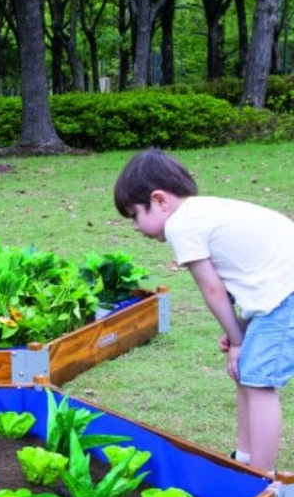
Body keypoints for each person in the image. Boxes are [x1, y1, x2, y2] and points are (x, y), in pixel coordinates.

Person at [114, 148, 294, 472]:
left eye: (134, 215)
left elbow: (211, 288)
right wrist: (236, 331)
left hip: (284, 294)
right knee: (246, 373)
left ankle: (263, 483)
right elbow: (232, 279)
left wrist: (238, 341)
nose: (136, 227)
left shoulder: (181, 225)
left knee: (257, 380)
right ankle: (244, 459)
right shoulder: (200, 211)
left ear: (159, 200)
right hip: (276, 290)